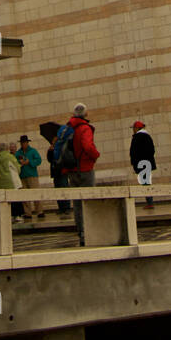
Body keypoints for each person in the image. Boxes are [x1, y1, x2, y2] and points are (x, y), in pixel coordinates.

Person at [62, 103, 100, 247]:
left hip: (71, 170)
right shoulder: (85, 128)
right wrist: (96, 155)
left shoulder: (67, 128)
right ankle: (90, 231)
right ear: (85, 114)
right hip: (85, 169)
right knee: (89, 201)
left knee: (77, 203)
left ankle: (81, 232)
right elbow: (87, 146)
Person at [0, 143, 24, 221]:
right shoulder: (9, 157)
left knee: (7, 200)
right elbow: (16, 167)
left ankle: (10, 215)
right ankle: (18, 215)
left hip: (1, 181)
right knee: (16, 199)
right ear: (6, 149)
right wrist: (20, 166)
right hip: (11, 181)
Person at [17, 135, 44, 220]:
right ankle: (27, 212)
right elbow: (15, 162)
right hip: (22, 176)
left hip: (32, 175)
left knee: (36, 193)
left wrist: (30, 162)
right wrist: (20, 162)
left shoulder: (33, 151)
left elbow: (39, 160)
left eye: (24, 143)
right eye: (22, 143)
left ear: (27, 143)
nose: (23, 144)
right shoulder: (18, 153)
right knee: (24, 196)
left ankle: (39, 211)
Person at [130, 120, 156, 206]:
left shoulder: (137, 137)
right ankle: (150, 202)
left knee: (145, 183)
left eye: (133, 128)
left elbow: (133, 153)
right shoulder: (148, 136)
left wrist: (135, 164)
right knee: (147, 181)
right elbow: (152, 150)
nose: (133, 130)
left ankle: (150, 203)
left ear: (137, 128)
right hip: (148, 163)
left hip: (141, 164)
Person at [46, 130, 72, 217]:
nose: (54, 142)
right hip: (55, 173)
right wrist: (50, 151)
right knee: (57, 191)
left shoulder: (62, 148)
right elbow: (50, 160)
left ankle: (67, 208)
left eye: (55, 141)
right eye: (53, 141)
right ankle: (61, 208)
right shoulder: (52, 149)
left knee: (64, 189)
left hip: (62, 172)